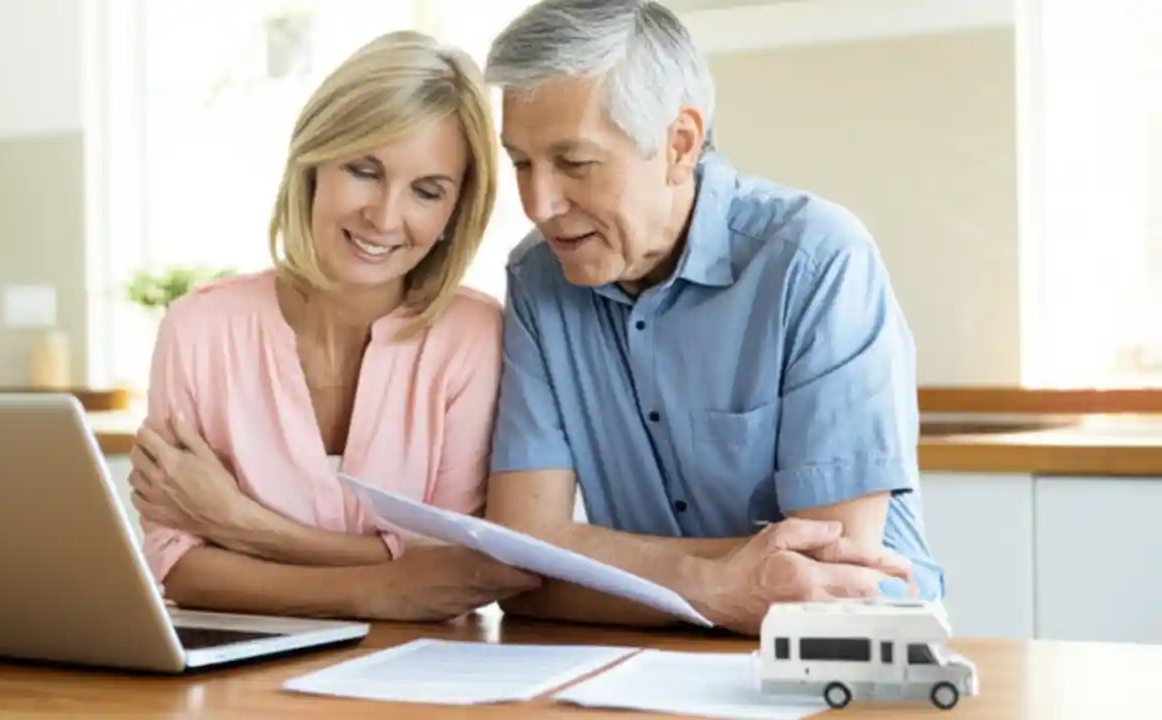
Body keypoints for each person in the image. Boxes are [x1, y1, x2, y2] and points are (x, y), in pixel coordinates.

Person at [481, 0, 943, 634]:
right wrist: (716, 585)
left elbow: (823, 580)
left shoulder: (816, 261)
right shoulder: (537, 279)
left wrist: (593, 561)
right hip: (645, 663)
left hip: (852, 657)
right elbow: (521, 566)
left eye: (574, 163)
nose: (539, 203)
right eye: (521, 163)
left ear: (679, 144)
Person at [126, 31, 539, 622]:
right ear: (314, 163)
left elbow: (463, 564)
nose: (385, 216)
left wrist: (242, 524)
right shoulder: (200, 329)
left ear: (455, 212)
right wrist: (379, 589)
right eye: (365, 170)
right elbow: (179, 565)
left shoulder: (474, 339)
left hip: (424, 678)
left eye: (426, 191)